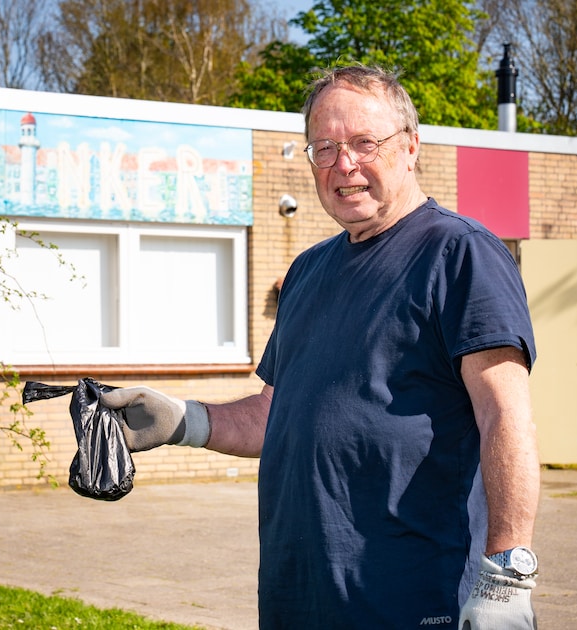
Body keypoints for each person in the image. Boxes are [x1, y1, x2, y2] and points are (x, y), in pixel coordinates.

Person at [101, 64, 540, 629]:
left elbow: (506, 416)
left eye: (364, 143)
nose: (343, 164)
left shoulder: (460, 255)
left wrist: (506, 576)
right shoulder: (308, 270)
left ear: (410, 148)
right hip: (299, 598)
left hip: (412, 600)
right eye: (324, 148)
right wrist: (183, 420)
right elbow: (275, 414)